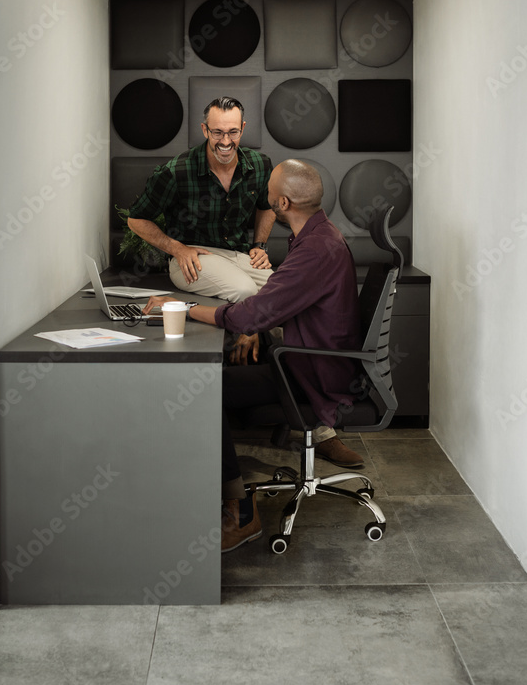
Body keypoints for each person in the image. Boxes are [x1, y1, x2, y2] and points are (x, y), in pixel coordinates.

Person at [144, 159, 366, 553]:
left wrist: (179, 307)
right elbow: (272, 305)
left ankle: (241, 513)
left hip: (311, 375)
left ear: (282, 203)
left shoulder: (315, 249)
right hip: (312, 361)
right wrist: (256, 326)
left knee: (203, 394)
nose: (263, 195)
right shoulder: (320, 235)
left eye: (269, 192)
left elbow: (251, 312)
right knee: (230, 365)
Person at [127, 96, 275, 303]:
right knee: (244, 291)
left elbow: (267, 206)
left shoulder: (260, 164)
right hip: (191, 258)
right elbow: (136, 219)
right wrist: (176, 249)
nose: (225, 141)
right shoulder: (175, 172)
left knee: (281, 291)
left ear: (242, 128)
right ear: (205, 130)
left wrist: (260, 245)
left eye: (233, 132)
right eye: (217, 132)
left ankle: (263, 336)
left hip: (238, 255)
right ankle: (246, 336)